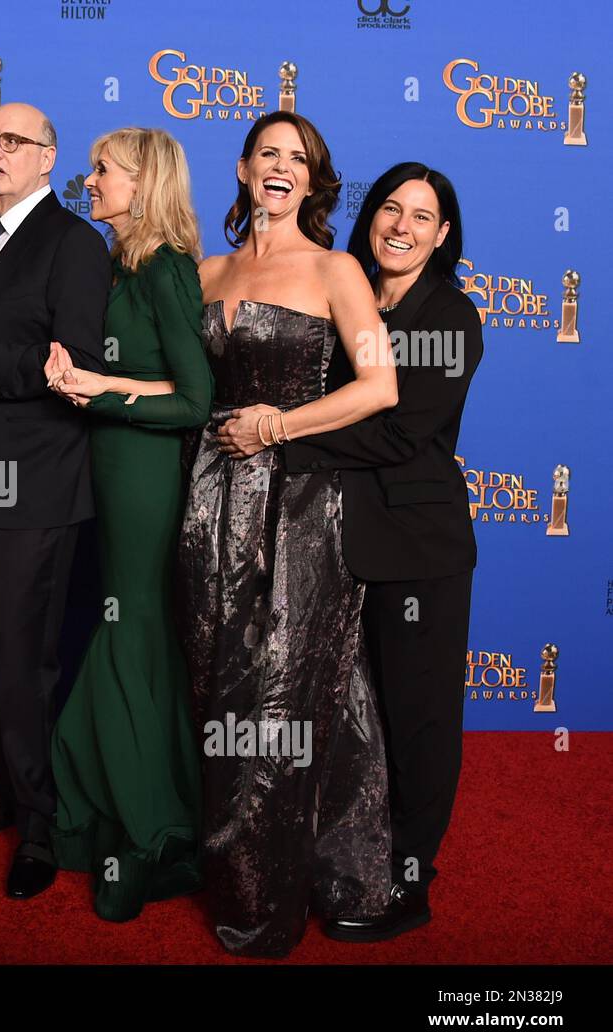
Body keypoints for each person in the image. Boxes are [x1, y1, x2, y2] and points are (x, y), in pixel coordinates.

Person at [178, 111, 398, 955]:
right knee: (218, 679)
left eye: (296, 160)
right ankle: (259, 863)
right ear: (241, 169)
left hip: (299, 500)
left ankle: (279, 893)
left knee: (288, 686)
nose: (279, 167)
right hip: (206, 500)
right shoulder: (207, 269)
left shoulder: (338, 269)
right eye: (267, 154)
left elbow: (378, 386)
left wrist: (281, 423)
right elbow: (176, 378)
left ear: (312, 180)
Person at [279, 163, 482, 941]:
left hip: (416, 549)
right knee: (350, 718)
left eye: (421, 217)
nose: (400, 226)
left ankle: (411, 879)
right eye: (390, 209)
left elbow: (399, 430)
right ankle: (345, 859)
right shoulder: (348, 295)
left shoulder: (452, 316)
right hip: (332, 541)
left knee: (418, 717)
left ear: (443, 235)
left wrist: (286, 434)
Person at [0, 102, 111, 900]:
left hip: (33, 490)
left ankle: (43, 827)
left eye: (14, 142)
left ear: (49, 156)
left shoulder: (74, 243)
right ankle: (9, 793)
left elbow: (78, 364)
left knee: (22, 669)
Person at [47, 127, 212, 921]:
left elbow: (193, 400)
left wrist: (96, 393)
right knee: (125, 635)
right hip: (107, 473)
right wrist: (83, 377)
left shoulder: (167, 268)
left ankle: (155, 828)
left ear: (143, 184)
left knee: (134, 635)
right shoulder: (118, 263)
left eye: (102, 171)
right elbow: (133, 372)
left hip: (145, 479)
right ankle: (119, 800)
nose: (89, 181)